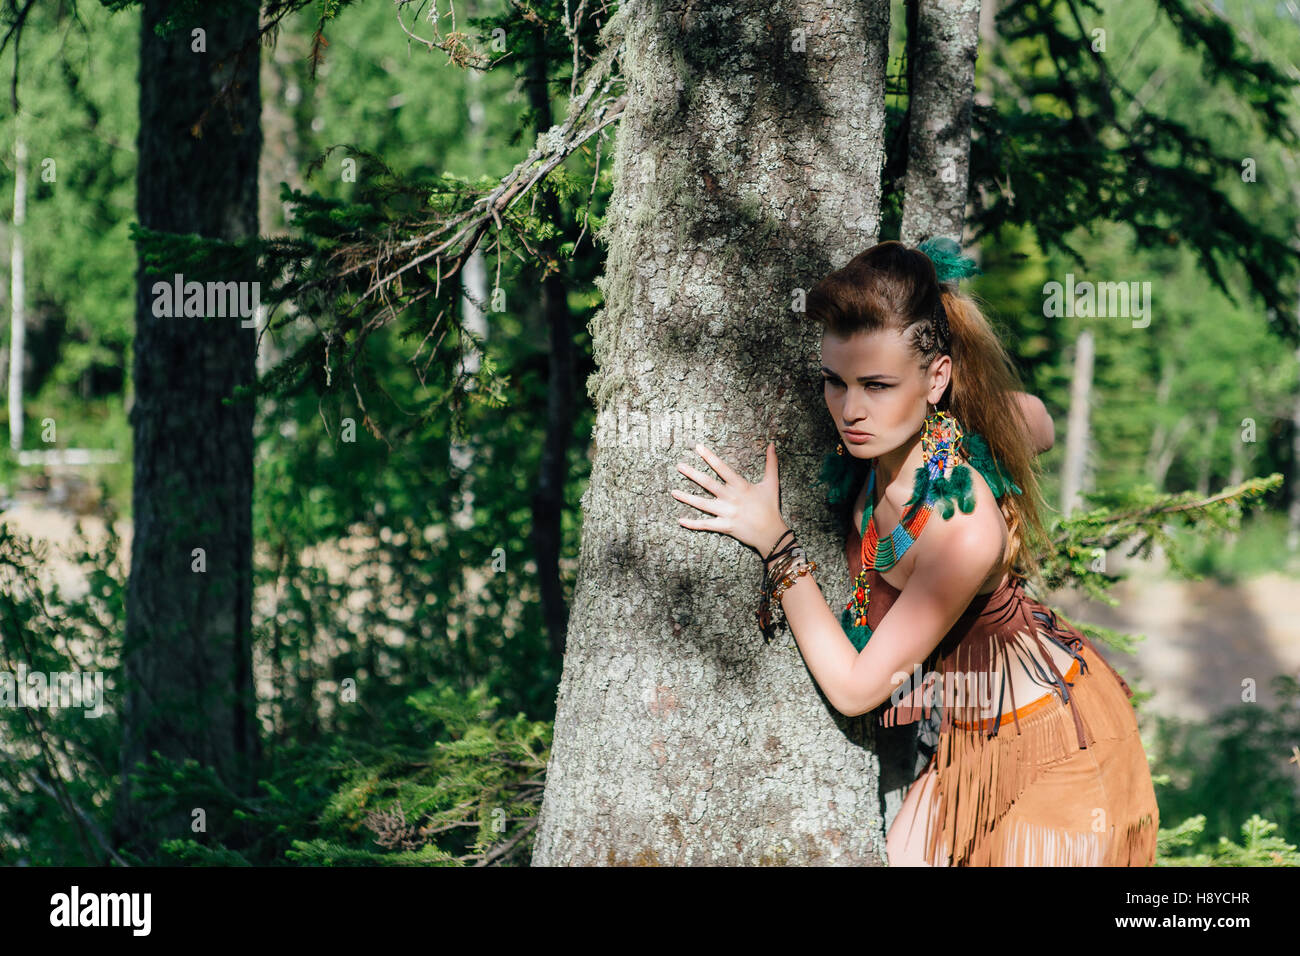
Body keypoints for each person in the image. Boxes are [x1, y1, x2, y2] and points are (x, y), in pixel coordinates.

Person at [670, 238, 1159, 866]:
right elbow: (1036, 420)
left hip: (1047, 742)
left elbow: (854, 691)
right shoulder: (894, 437)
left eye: (876, 385)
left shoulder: (965, 529)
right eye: (834, 382)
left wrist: (776, 543)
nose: (850, 410)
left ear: (937, 378)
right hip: (962, 728)